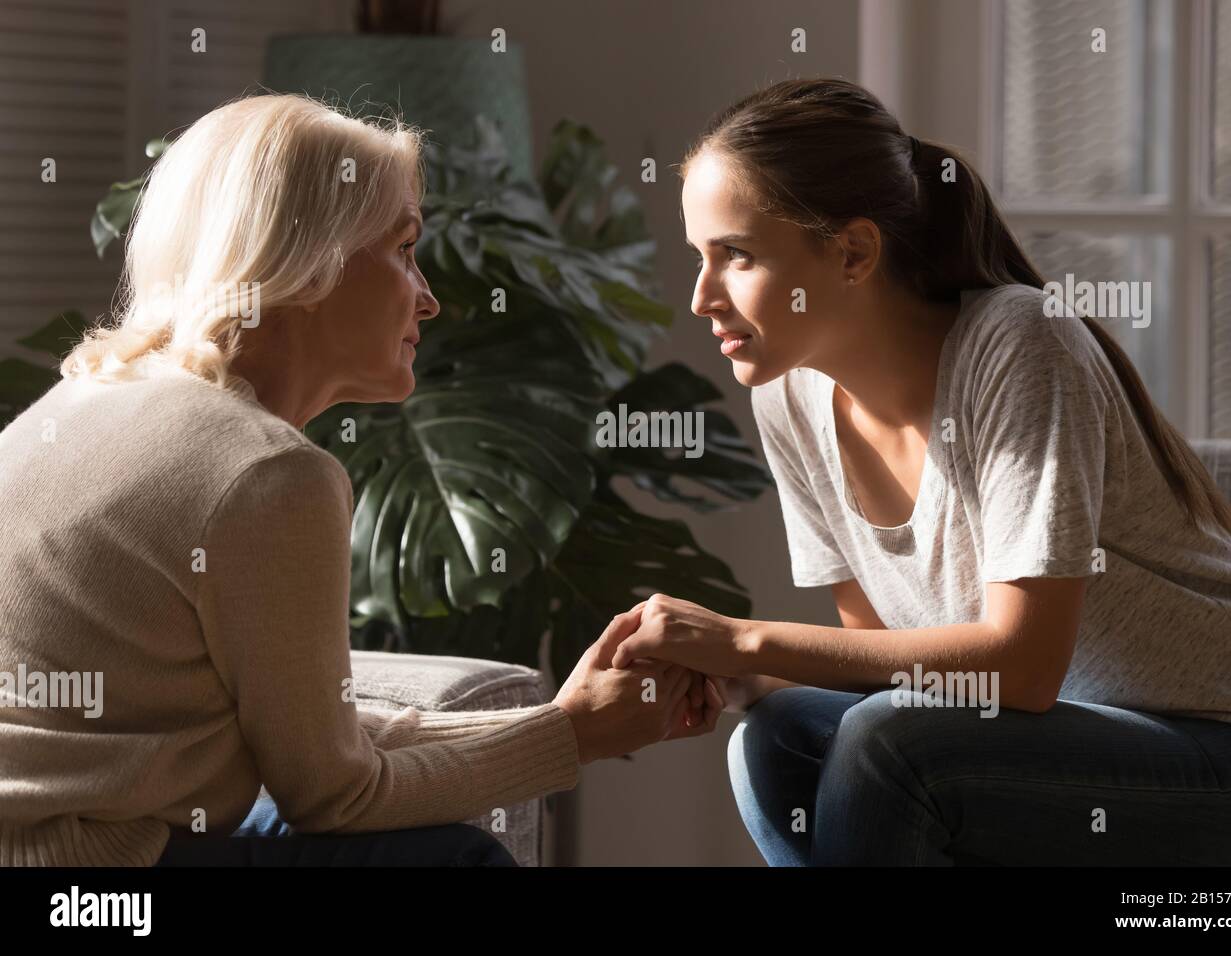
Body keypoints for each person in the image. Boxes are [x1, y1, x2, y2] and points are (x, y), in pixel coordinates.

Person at [0, 93, 722, 868]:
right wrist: (575, 736)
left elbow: (320, 742)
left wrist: (564, 717)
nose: (429, 296)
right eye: (406, 248)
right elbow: (336, 796)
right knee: (451, 862)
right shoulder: (266, 473)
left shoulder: (86, 397)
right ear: (310, 258)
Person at [606, 77, 1231, 865]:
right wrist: (733, 675)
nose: (702, 297)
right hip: (1059, 747)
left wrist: (746, 638)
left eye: (735, 256)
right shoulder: (791, 395)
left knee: (886, 741)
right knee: (778, 736)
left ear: (854, 251)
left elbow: (1025, 666)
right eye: (701, 257)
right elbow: (883, 653)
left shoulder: (1019, 342)